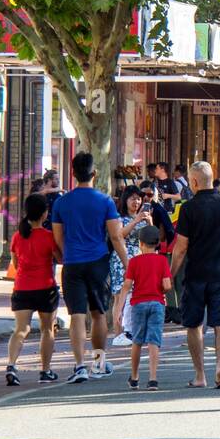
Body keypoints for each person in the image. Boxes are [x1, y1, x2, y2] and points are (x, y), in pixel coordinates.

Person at [51, 151, 127, 383]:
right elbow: (115, 236)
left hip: (73, 263)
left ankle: (79, 365)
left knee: (76, 315)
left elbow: (58, 236)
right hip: (98, 263)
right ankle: (99, 363)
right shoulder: (104, 201)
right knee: (98, 314)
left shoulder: (61, 202)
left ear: (73, 173)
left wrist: (68, 254)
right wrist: (128, 263)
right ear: (95, 173)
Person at [171, 161, 220, 389]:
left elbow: (181, 247)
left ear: (193, 181)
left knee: (193, 324)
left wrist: (170, 273)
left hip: (195, 274)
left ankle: (200, 375)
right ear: (212, 178)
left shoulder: (188, 208)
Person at [6, 194, 60, 386]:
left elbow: (15, 263)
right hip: (46, 287)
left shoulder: (17, 236)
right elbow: (59, 258)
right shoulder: (48, 236)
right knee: (47, 329)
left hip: (22, 288)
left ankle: (11, 365)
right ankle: (45, 371)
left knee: (21, 329)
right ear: (45, 213)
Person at [115, 225, 171, 390]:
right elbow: (167, 285)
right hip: (157, 303)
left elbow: (126, 286)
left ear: (140, 243)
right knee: (154, 341)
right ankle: (153, 378)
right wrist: (162, 288)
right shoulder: (162, 260)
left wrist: (119, 308)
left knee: (137, 340)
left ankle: (134, 377)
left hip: (138, 304)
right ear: (157, 243)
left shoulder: (134, 262)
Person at [110, 187, 152, 348]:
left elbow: (151, 235)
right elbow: (119, 235)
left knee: (136, 296)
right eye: (132, 198)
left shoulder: (142, 216)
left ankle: (132, 330)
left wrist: (148, 221)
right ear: (125, 200)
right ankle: (118, 333)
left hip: (139, 259)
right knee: (120, 296)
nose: (136, 202)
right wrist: (136, 220)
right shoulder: (120, 218)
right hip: (122, 258)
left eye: (138, 199)